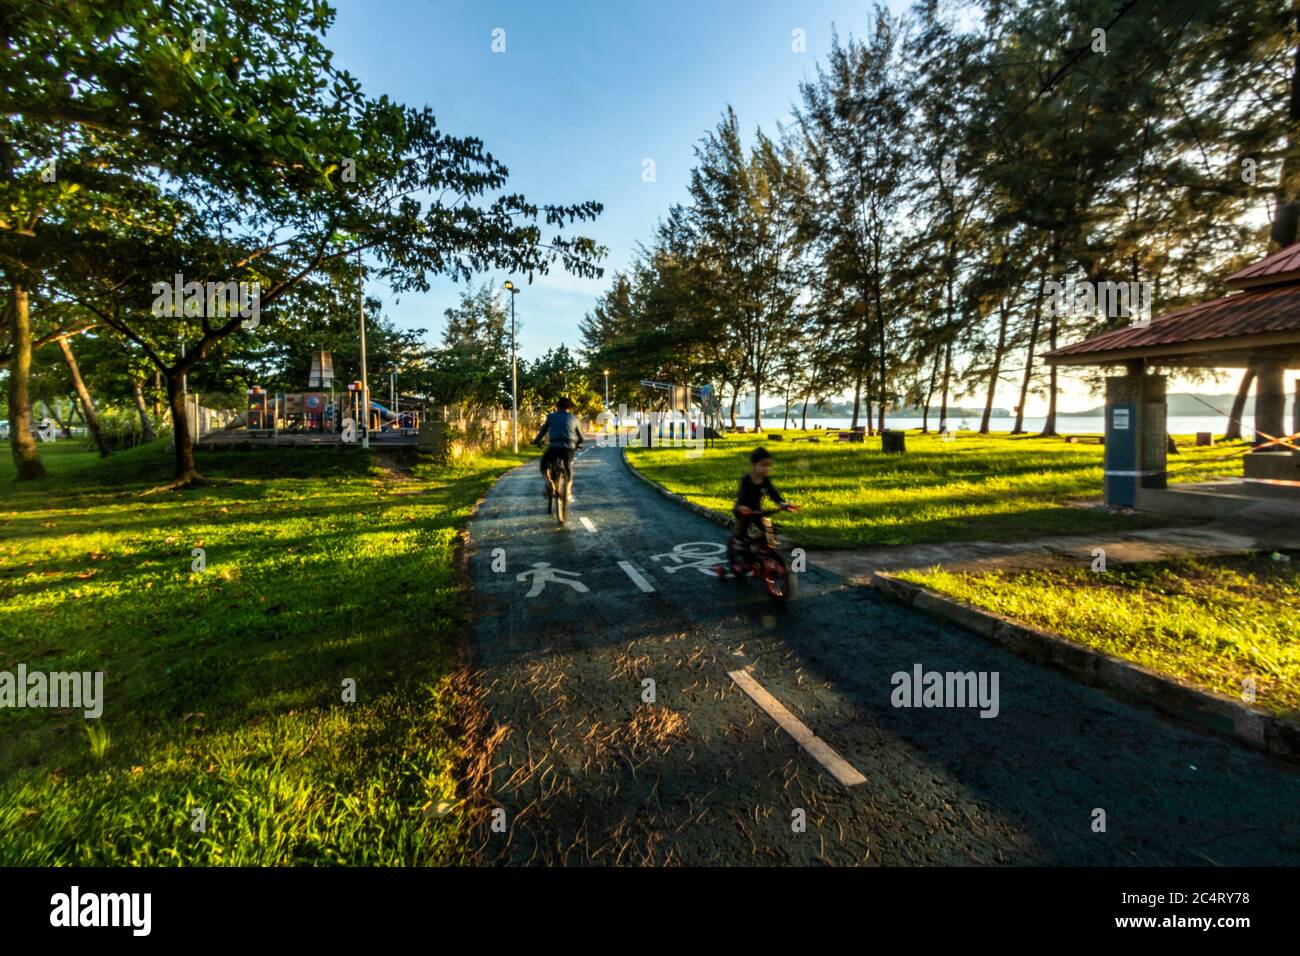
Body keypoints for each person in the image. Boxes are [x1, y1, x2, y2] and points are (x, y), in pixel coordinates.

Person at [732, 446, 798, 546]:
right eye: (763, 465)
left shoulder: (765, 480)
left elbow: (773, 494)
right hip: (743, 511)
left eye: (769, 465)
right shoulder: (746, 480)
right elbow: (742, 495)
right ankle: (740, 550)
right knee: (742, 536)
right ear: (754, 465)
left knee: (769, 529)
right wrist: (742, 507)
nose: (767, 468)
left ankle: (764, 552)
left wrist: (783, 504)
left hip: (756, 511)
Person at [532, 397, 584, 499]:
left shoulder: (551, 417)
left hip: (554, 447)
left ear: (557, 406)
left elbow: (543, 431)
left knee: (544, 464)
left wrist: (535, 441)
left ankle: (549, 482)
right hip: (569, 448)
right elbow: (581, 437)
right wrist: (577, 444)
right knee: (568, 466)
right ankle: (568, 490)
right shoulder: (574, 418)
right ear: (570, 407)